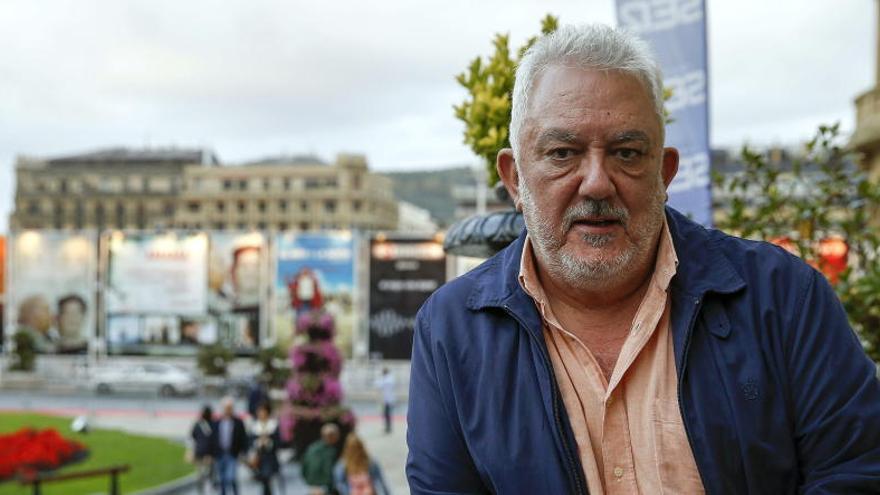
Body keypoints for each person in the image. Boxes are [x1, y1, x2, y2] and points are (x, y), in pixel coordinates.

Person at [406, 23, 880, 494]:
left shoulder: (784, 298)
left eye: (627, 153)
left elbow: (858, 472)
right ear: (514, 179)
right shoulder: (451, 332)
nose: (596, 183)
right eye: (563, 152)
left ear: (664, 172)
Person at [212, 396, 249, 495]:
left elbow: (244, 439)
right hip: (220, 454)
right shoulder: (216, 422)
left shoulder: (238, 422)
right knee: (222, 479)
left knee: (231, 477)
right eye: (226, 408)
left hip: (232, 454)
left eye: (230, 408)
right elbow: (212, 439)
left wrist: (244, 453)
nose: (228, 410)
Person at [248, 402, 284, 495]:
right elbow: (250, 442)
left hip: (270, 457)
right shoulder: (254, 426)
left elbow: (279, 443)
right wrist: (259, 442)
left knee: (267, 478)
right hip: (258, 457)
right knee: (263, 480)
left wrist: (268, 442)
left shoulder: (273, 425)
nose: (261, 414)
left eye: (263, 411)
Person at [301, 423, 341, 495]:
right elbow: (329, 471)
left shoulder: (312, 447)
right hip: (325, 488)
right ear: (331, 436)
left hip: (311, 487)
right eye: (337, 434)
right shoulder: (330, 451)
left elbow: (303, 468)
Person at [190, 405, 216, 495]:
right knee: (202, 476)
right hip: (201, 454)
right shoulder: (201, 424)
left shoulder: (211, 424)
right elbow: (193, 437)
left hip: (206, 455)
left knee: (206, 476)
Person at [373, 369, 395, 434]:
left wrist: (380, 377)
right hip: (389, 399)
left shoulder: (386, 379)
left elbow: (377, 384)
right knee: (387, 414)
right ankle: (388, 427)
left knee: (387, 414)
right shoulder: (390, 379)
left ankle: (388, 427)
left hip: (387, 400)